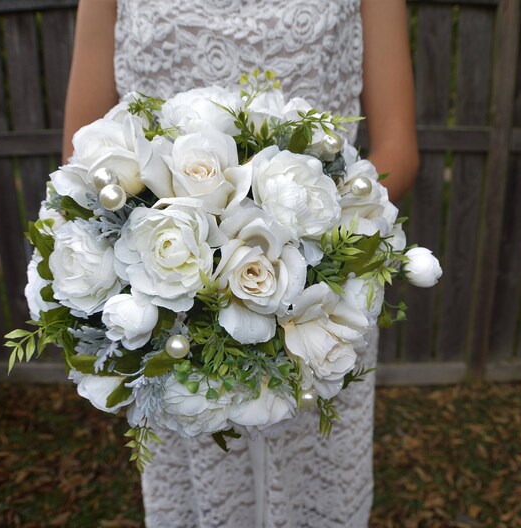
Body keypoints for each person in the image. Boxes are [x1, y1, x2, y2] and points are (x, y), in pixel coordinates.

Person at [62, 1, 418, 526]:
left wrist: (309, 251)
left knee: (312, 479)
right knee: (200, 466)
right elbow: (84, 152)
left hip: (317, 294)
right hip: (169, 300)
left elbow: (397, 150)